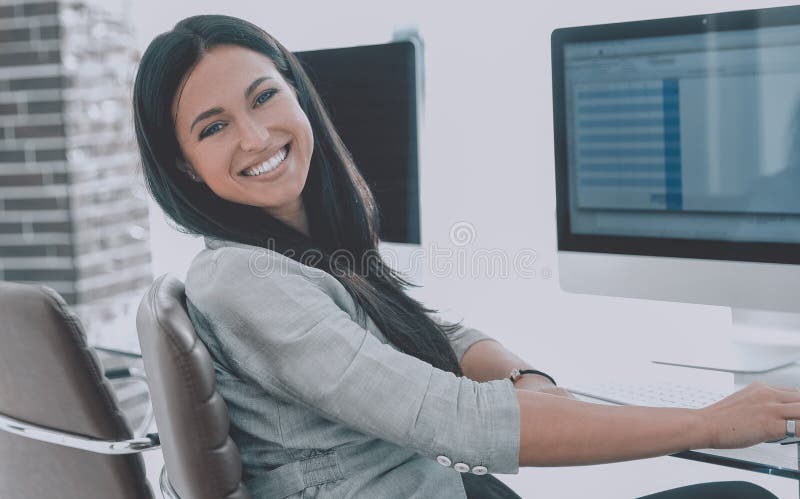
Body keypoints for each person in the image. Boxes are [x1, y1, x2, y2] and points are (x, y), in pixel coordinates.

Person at [132, 14, 797, 499]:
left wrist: (524, 374)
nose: (254, 135)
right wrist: (710, 423)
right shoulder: (243, 279)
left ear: (298, 96)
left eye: (263, 96)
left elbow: (435, 336)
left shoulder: (299, 255)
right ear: (185, 167)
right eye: (213, 127)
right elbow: (454, 420)